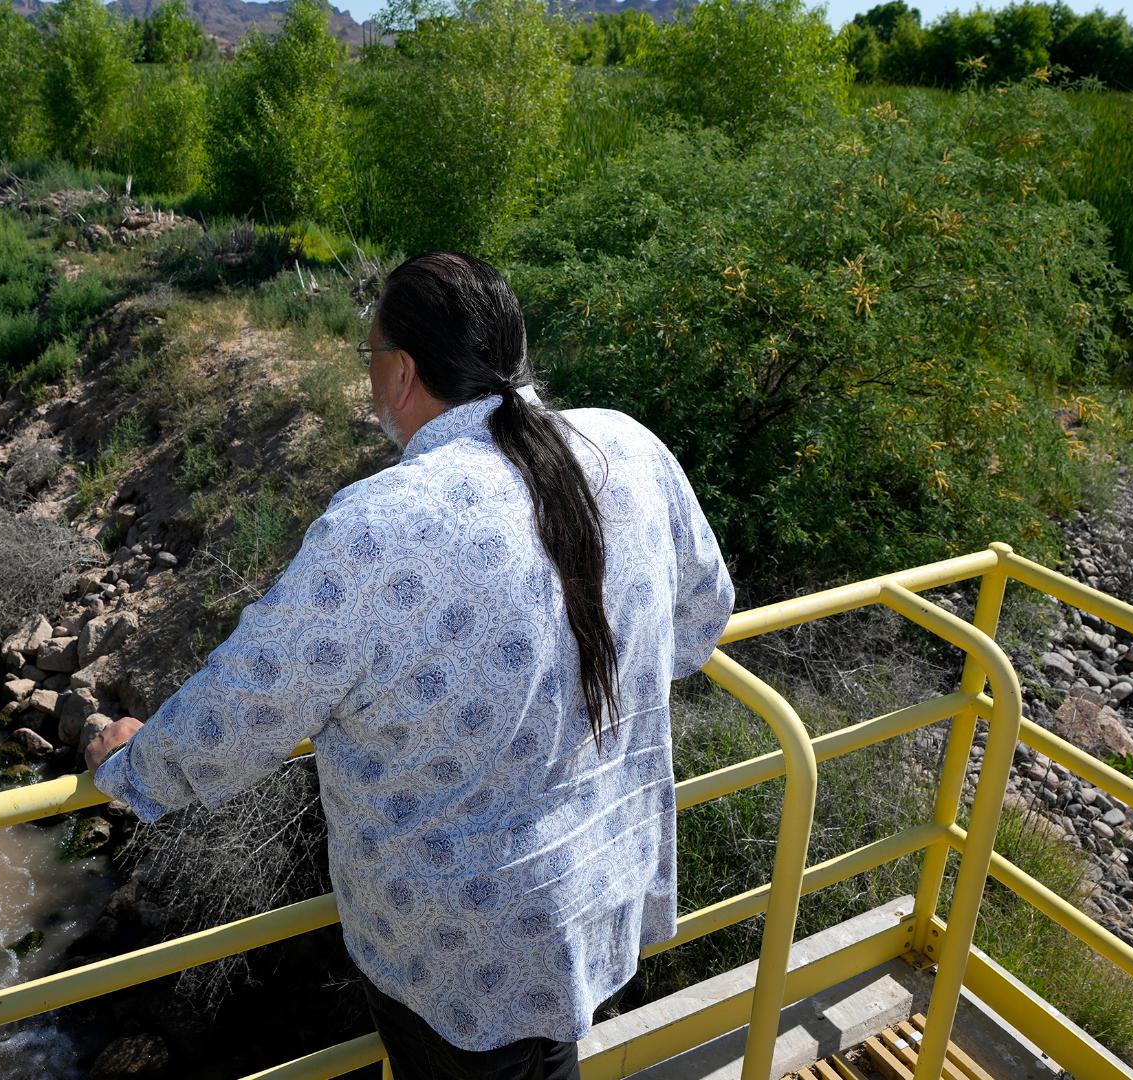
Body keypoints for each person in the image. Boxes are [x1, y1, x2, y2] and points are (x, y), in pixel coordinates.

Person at [86, 251, 735, 1080]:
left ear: (400, 372)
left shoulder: (382, 523)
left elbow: (248, 705)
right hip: (598, 887)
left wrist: (134, 766)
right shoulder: (630, 449)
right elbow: (699, 623)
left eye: (369, 358)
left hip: (460, 953)